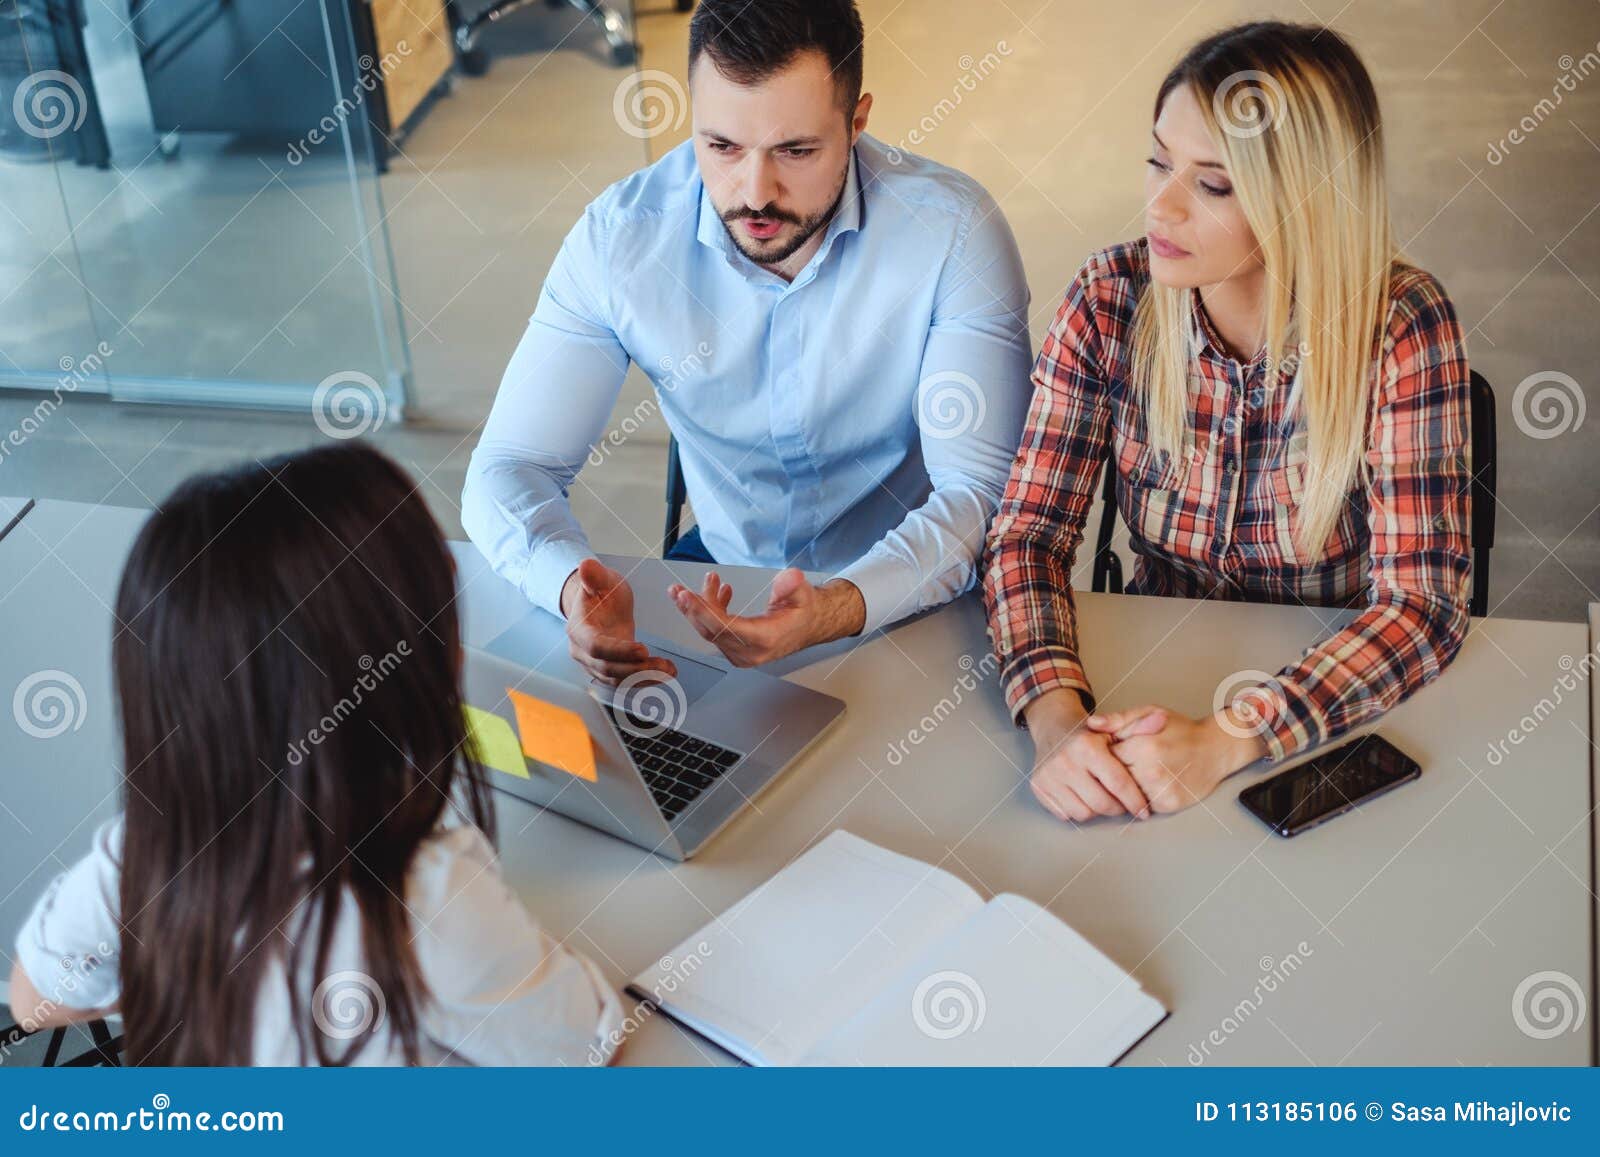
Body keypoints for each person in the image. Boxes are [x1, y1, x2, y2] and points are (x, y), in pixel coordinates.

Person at [983, 21, 1472, 823]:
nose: (1159, 206)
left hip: (1331, 693)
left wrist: (1227, 736)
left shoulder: (1399, 324)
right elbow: (1026, 535)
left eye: (1213, 185)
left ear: (1306, 203)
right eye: (1157, 160)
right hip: (1144, 675)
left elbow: (1420, 606)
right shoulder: (1109, 299)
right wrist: (1058, 721)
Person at [463, 0, 1031, 685]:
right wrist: (568, 588)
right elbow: (508, 467)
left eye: (795, 150)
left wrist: (838, 606)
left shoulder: (952, 233)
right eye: (722, 146)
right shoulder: (621, 240)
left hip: (908, 589)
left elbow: (981, 495)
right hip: (721, 578)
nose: (754, 193)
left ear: (856, 122)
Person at [7, 444, 624, 1065]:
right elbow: (589, 1046)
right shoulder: (428, 901)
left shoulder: (139, 856)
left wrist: (198, 974)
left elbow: (33, 999)